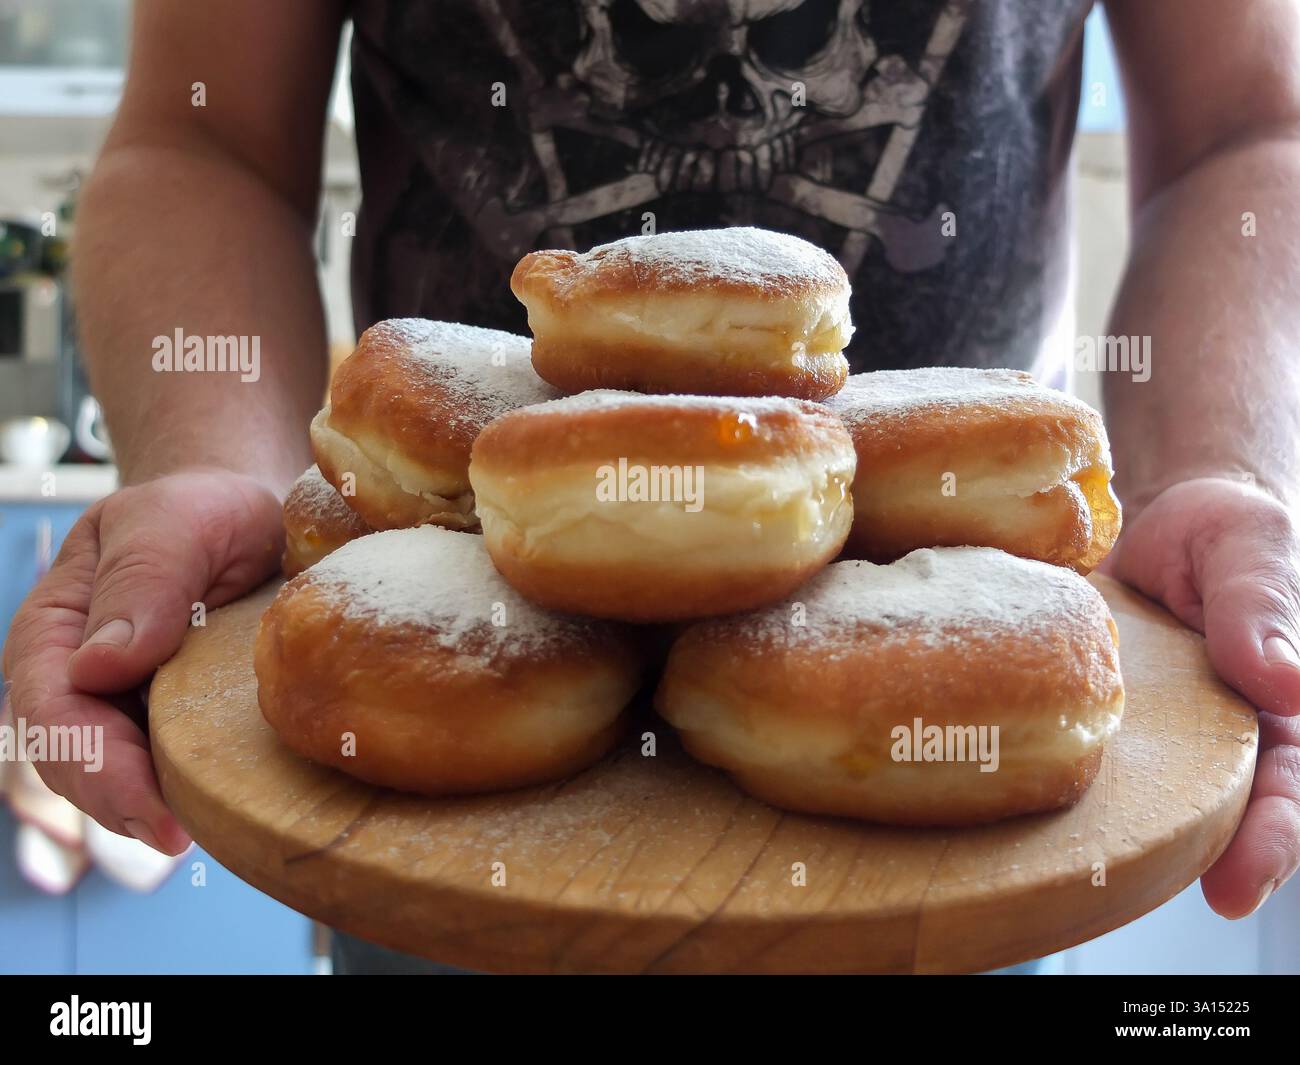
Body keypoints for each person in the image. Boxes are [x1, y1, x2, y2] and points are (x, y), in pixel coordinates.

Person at [4, 0, 1299, 974]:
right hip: (443, 859)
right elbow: (201, 136)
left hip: (953, 831)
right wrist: (212, 463)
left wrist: (1220, 467)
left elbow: (1246, 126)